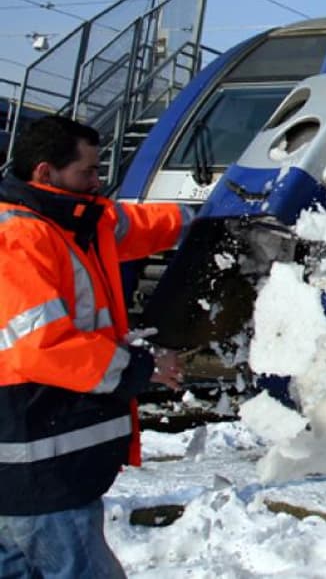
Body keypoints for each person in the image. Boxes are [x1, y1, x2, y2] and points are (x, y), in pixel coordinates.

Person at [0, 116, 192, 578]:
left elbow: (132, 224)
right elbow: (44, 347)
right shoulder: (18, 239)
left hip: (43, 465)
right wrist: (141, 368)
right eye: (88, 171)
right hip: (38, 466)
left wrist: (205, 219)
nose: (98, 180)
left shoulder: (74, 219)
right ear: (45, 173)